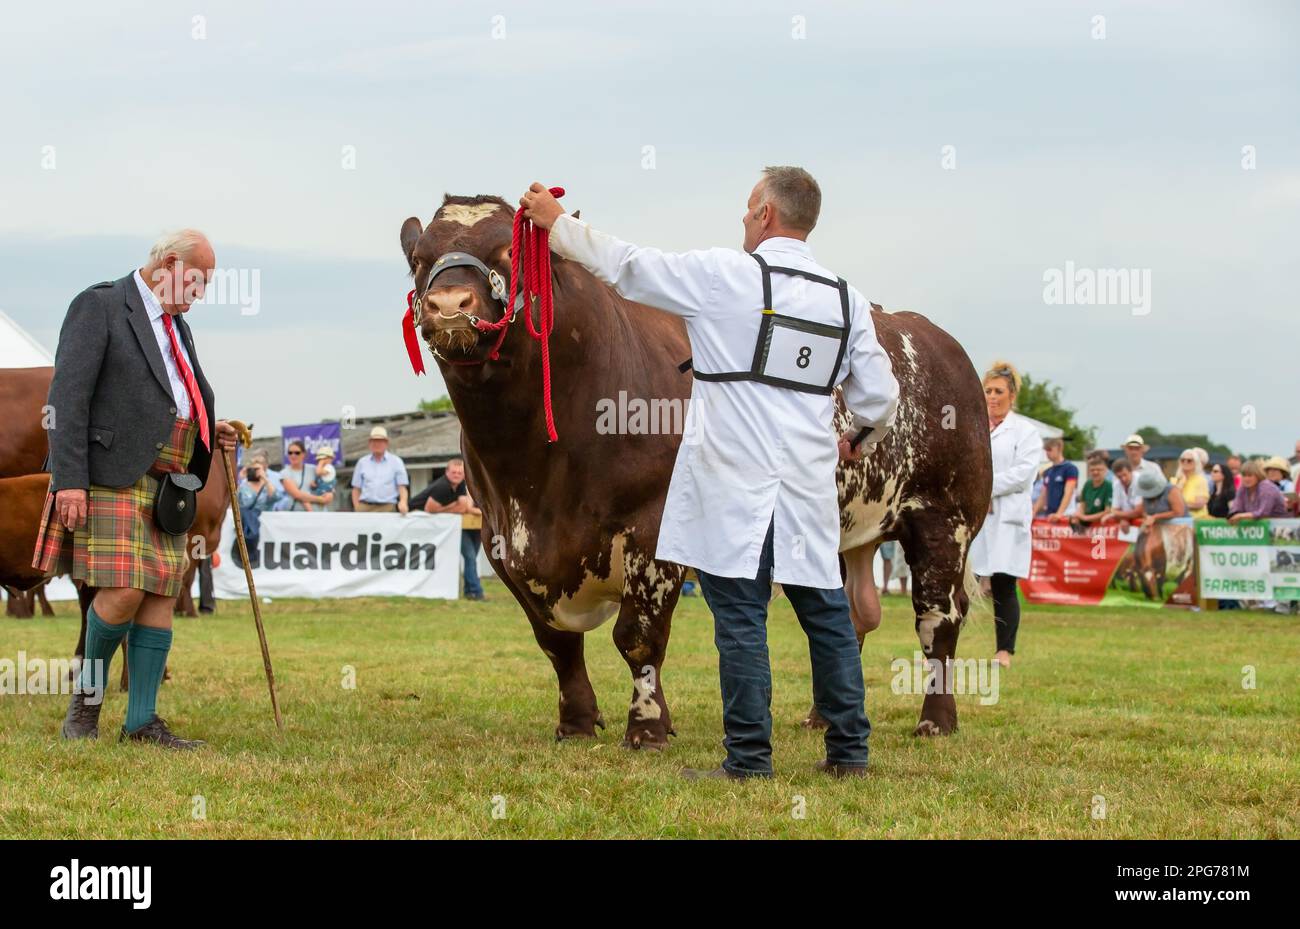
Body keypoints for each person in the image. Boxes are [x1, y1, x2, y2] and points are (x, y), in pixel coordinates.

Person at [521, 167, 899, 780]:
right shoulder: (846, 298)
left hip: (733, 481)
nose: (745, 221)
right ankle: (849, 755)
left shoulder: (726, 276)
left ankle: (749, 760)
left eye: (749, 210)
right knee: (826, 614)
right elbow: (880, 396)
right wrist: (855, 438)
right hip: (804, 483)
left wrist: (558, 226)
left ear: (766, 214)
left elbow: (629, 266)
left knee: (742, 620)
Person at [30, 229, 240, 749]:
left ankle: (141, 722)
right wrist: (70, 480)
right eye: (198, 278)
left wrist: (207, 427)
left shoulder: (177, 326)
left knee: (161, 596)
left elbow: (171, 397)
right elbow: (67, 399)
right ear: (168, 263)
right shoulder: (100, 305)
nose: (201, 291)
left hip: (170, 481)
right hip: (112, 475)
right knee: (122, 591)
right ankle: (85, 707)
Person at [969, 360, 1041, 670]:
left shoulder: (1025, 432)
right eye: (987, 390)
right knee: (960, 583)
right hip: (974, 516)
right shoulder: (970, 427)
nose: (992, 396)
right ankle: (944, 646)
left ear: (1011, 395)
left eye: (998, 391)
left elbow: (1023, 475)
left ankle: (1004, 652)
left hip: (1005, 517)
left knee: (1003, 584)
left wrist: (984, 488)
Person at [419, 457, 486, 601]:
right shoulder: (450, 485)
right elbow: (466, 507)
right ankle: (475, 591)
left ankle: (470, 590)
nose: (457, 475)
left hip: (473, 525)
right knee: (470, 557)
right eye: (454, 472)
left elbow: (464, 506)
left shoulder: (471, 484)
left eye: (460, 472)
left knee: (472, 557)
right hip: (459, 526)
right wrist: (484, 512)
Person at [350, 426, 410, 513]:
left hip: (388, 507)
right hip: (365, 507)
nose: (376, 444)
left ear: (386, 443)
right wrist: (357, 507)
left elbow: (402, 487)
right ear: (369, 443)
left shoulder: (396, 462)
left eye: (380, 441)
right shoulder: (362, 462)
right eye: (374, 441)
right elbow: (356, 489)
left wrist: (403, 502)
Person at [1035, 437, 1078, 522]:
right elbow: (1043, 495)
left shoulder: (1070, 468)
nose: (1047, 453)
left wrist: (1059, 514)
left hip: (1065, 516)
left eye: (1050, 450)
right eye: (1046, 450)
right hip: (1050, 515)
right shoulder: (1047, 471)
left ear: (1059, 448)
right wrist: (1034, 511)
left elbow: (1068, 493)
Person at [279, 439, 329, 512]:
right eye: (290, 453)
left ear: (304, 454)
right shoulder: (284, 473)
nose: (293, 455)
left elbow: (328, 486)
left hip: (320, 513)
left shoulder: (314, 469)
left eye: (297, 453)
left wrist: (329, 495)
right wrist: (321, 499)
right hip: (298, 516)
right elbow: (297, 495)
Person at [1073, 453, 1113, 528]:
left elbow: (1108, 511)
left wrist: (1086, 518)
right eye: (1092, 470)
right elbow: (1082, 505)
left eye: (1099, 470)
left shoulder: (1109, 486)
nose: (1095, 472)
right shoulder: (1087, 484)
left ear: (1105, 471)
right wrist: (1079, 515)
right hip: (1087, 525)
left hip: (1102, 526)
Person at [1103, 459, 1143, 528]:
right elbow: (1115, 509)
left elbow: (1138, 512)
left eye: (1125, 475)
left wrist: (1115, 514)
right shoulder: (1116, 484)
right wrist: (1123, 519)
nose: (1123, 479)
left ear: (1131, 471)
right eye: (1119, 476)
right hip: (1131, 523)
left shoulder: (1139, 481)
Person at [1173, 447, 1210, 518]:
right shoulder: (1176, 479)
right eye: (1182, 460)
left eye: (1189, 460)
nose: (1185, 462)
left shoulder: (1200, 480)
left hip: (1196, 520)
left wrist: (1178, 506)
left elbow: (1200, 504)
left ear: (1196, 463)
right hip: (1178, 519)